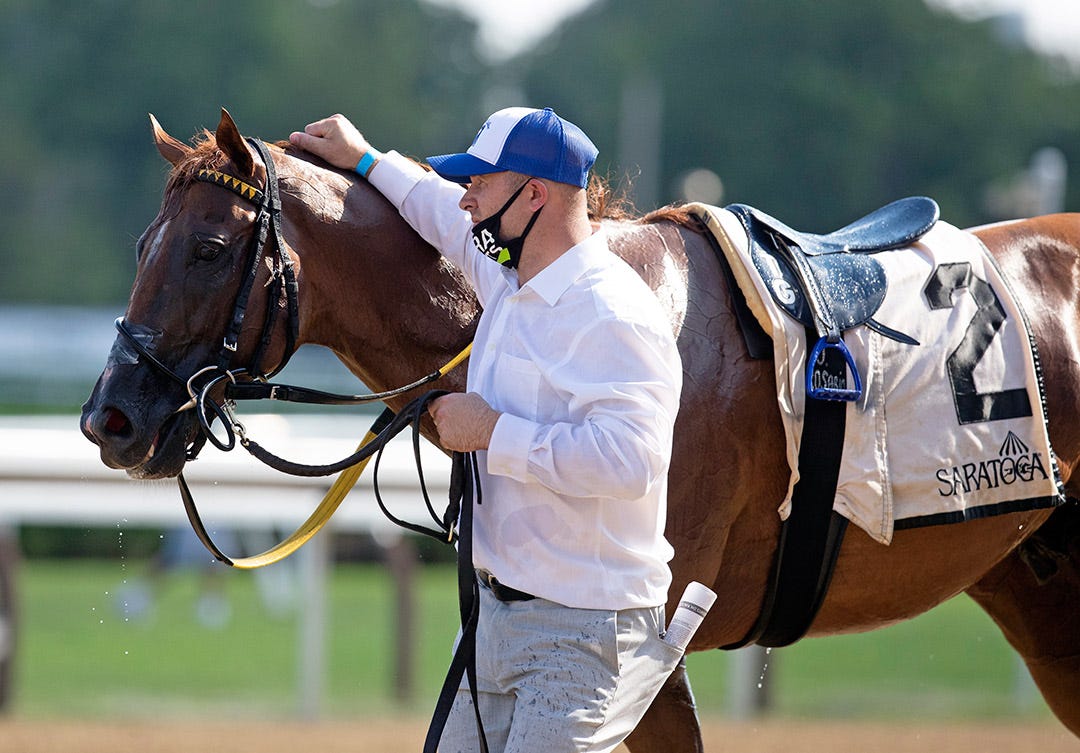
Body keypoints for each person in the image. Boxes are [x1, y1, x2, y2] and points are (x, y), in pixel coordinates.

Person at [290, 107, 684, 753]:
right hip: (493, 620)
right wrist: (364, 159)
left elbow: (631, 461)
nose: (467, 197)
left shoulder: (614, 313)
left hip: (586, 631)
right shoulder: (509, 277)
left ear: (534, 194)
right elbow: (441, 209)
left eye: (481, 181)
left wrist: (494, 430)